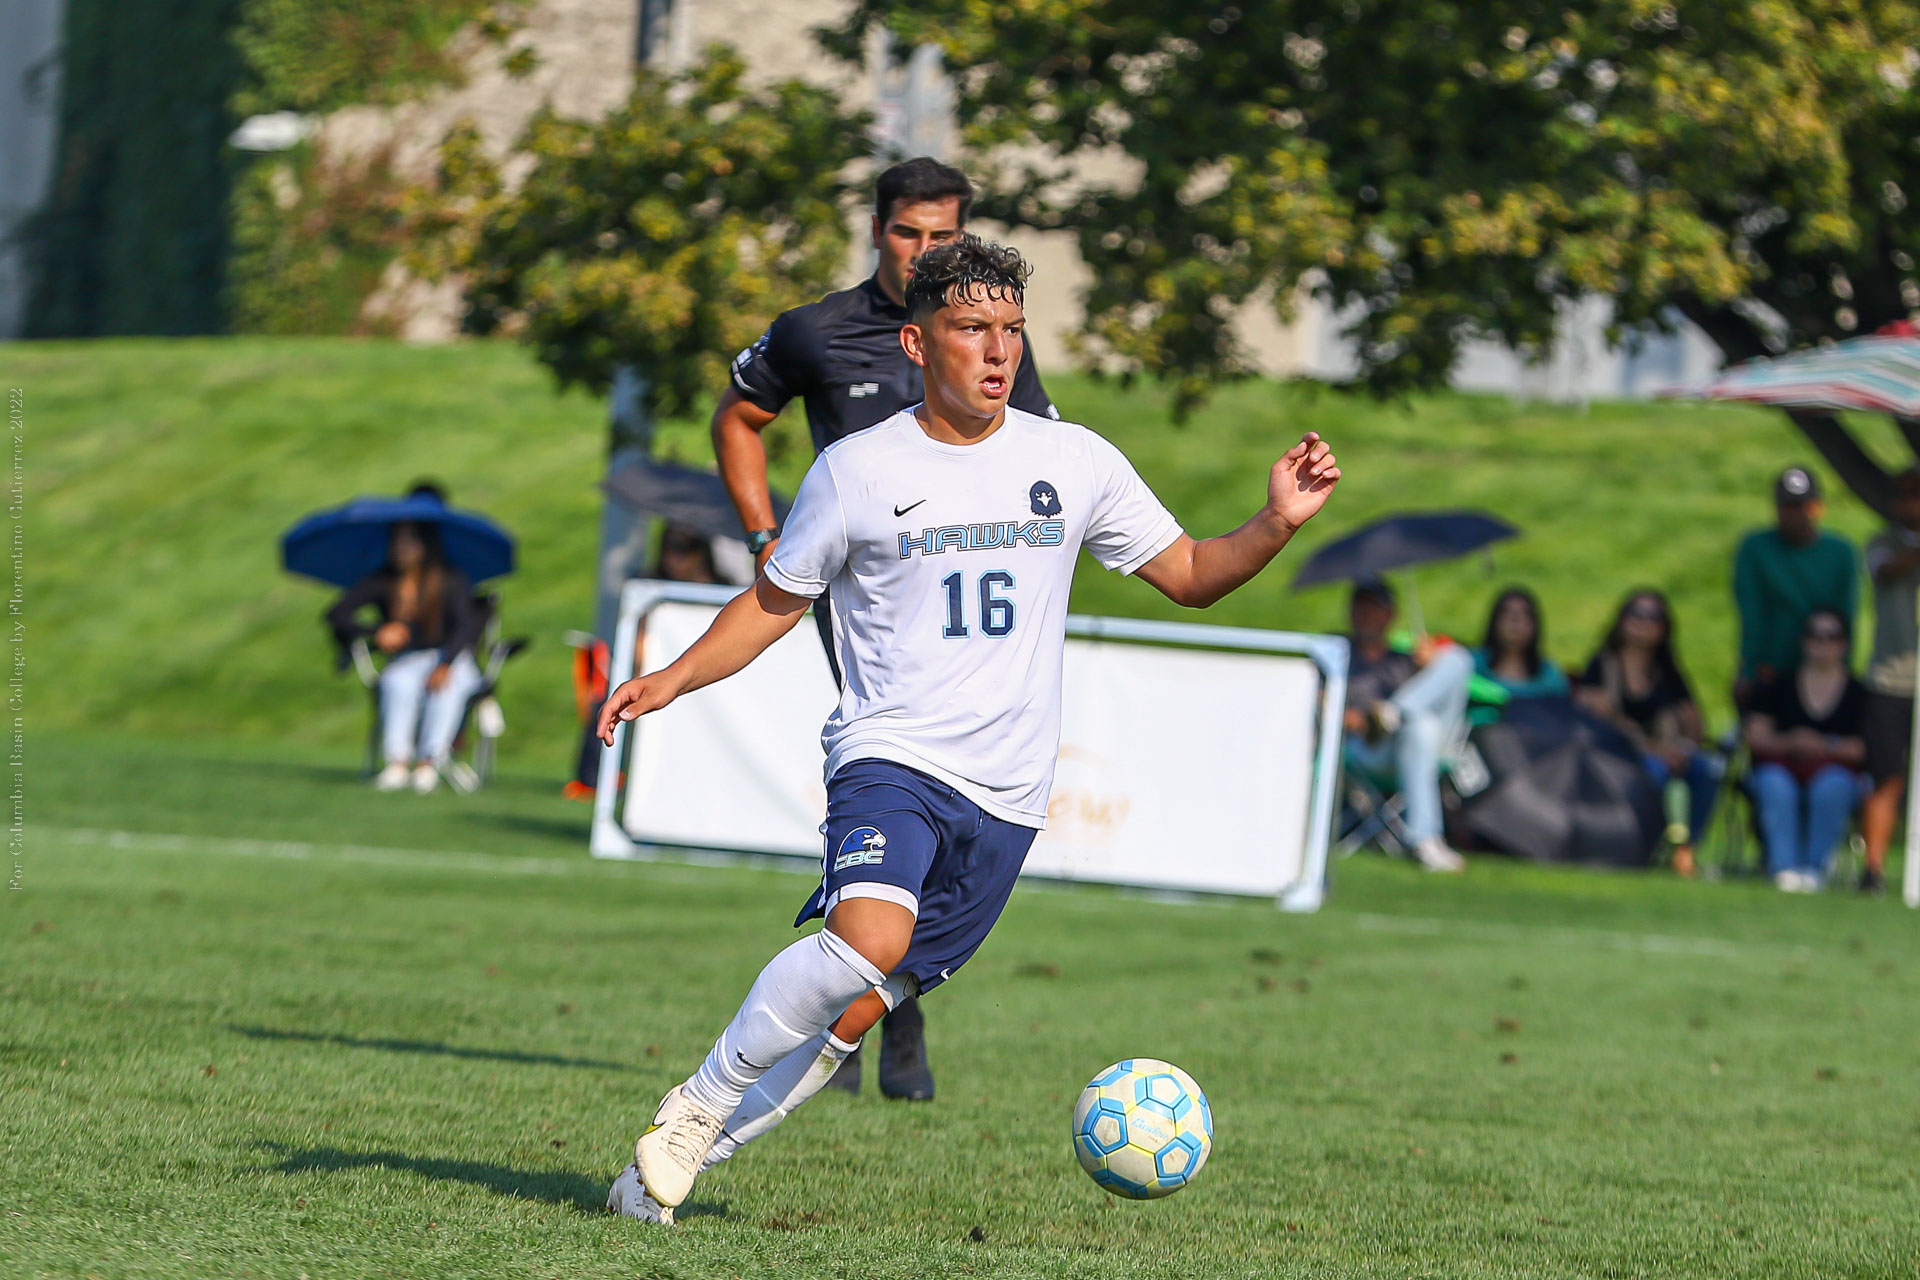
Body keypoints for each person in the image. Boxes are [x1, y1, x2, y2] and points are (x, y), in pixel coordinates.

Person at [599, 236, 1340, 1222]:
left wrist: (1276, 520)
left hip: (1010, 795)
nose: (996, 352)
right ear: (916, 340)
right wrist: (672, 676)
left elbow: (1194, 573)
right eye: (969, 329)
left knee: (853, 1011)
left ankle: (650, 1182)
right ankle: (696, 1104)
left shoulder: (1073, 461)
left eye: (1010, 331)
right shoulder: (856, 470)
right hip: (891, 754)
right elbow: (775, 602)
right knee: (865, 939)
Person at [710, 157, 1056, 1102]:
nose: (924, 250)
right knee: (892, 775)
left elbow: (1030, 460)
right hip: (865, 592)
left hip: (957, 606)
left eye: (942, 234)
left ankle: (884, 1006)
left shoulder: (982, 336)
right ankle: (862, 1000)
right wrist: (760, 532)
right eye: (909, 233)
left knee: (917, 807)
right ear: (877, 231)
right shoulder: (816, 331)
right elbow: (739, 418)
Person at [326, 515, 483, 794]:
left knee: (445, 690)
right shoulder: (384, 579)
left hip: (452, 657)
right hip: (409, 659)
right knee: (396, 684)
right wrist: (377, 631)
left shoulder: (451, 579)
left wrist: (445, 663)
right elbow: (337, 613)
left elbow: (465, 626)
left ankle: (428, 763)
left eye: (409, 541)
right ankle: (397, 762)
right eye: (397, 541)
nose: (401, 548)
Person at [1576, 590, 1716, 875]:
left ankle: (1686, 848)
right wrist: (1654, 748)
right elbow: (1600, 720)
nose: (1644, 622)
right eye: (1636, 614)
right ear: (1621, 620)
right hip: (1618, 752)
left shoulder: (1668, 671)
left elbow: (1694, 722)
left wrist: (1685, 747)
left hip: (1666, 751)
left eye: (1654, 617)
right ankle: (1641, 845)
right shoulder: (1603, 665)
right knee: (1654, 772)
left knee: (1706, 770)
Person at [1341, 578, 1474, 873]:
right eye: (1359, 607)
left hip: (1420, 746)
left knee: (1457, 659)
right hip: (1366, 748)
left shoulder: (1404, 660)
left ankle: (1395, 712)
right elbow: (1319, 699)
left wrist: (1428, 666)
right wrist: (1350, 718)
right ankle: (1425, 840)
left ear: (1390, 615)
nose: (1365, 615)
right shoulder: (1339, 654)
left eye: (1374, 608)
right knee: (1420, 726)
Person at [1744, 610, 1869, 892]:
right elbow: (1756, 736)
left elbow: (1864, 747)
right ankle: (1784, 868)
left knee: (1832, 785)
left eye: (1831, 636)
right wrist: (1792, 741)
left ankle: (1815, 869)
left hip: (1835, 772)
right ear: (1804, 641)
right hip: (1781, 767)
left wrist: (1826, 746)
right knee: (1774, 783)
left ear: (1844, 644)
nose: (1823, 643)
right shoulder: (1777, 685)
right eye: (1815, 635)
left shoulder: (1859, 692)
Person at [1733, 466, 1858, 708]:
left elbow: (1847, 615)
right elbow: (1751, 614)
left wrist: (1844, 670)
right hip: (1770, 670)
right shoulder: (1755, 548)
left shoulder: (1841, 552)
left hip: (1823, 670)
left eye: (1802, 507)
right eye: (1787, 507)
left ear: (1817, 508)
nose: (1794, 515)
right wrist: (1747, 670)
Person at [1858, 467, 1920, 894]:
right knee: (1887, 776)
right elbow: (1886, 571)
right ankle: (1873, 870)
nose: (1907, 503)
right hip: (1889, 681)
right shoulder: (1882, 542)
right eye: (1901, 494)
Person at [1473, 586, 1569, 701]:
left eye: (1525, 615)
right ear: (1495, 621)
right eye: (1508, 614)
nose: (1516, 621)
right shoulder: (1471, 665)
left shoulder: (1549, 675)